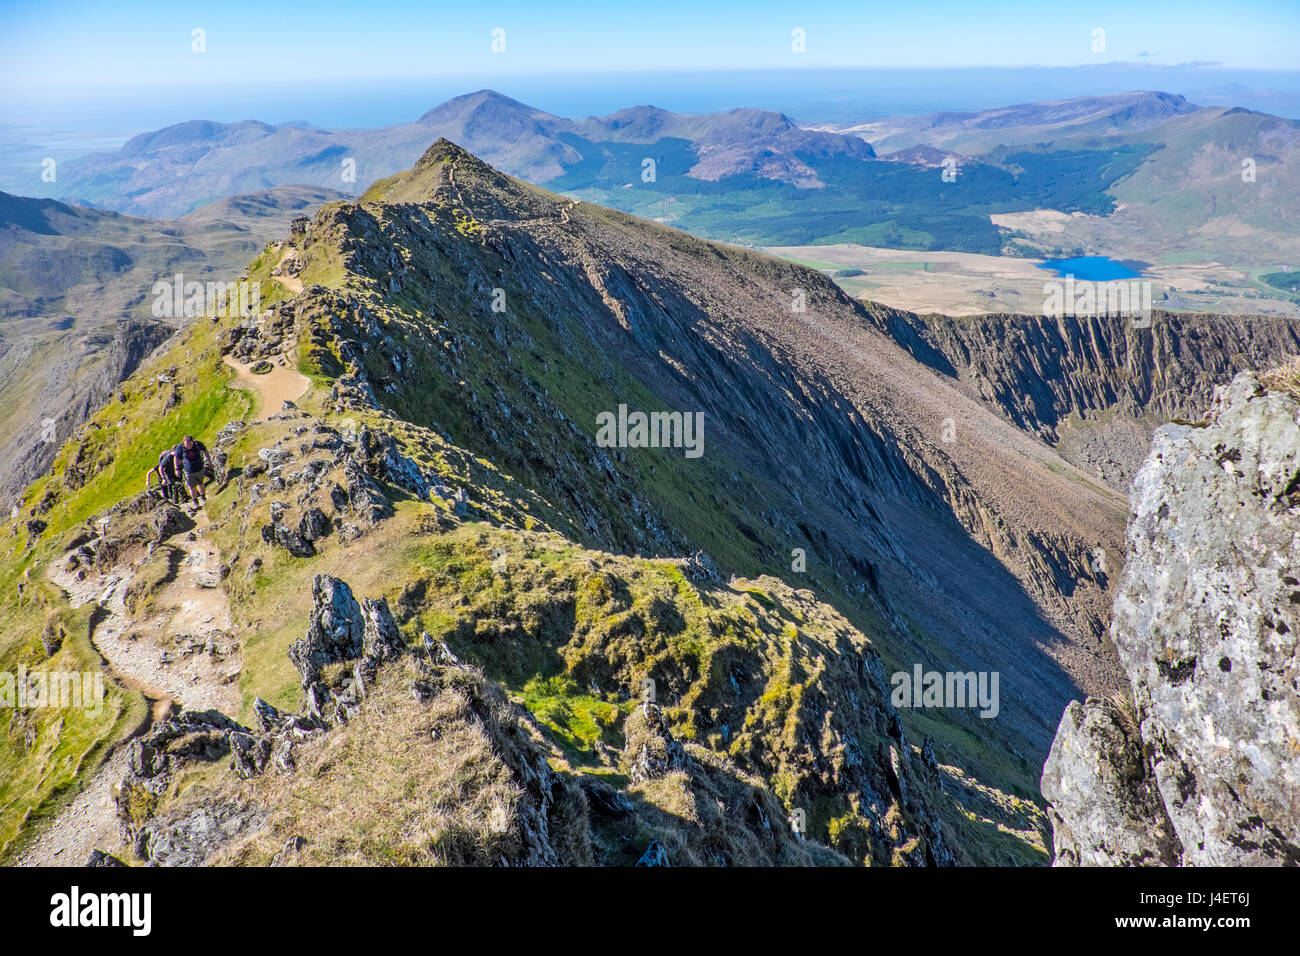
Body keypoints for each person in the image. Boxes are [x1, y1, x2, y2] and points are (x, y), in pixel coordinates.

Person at [172, 434, 215, 509]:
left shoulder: (198, 444)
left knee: (201, 483)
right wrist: (177, 469)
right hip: (188, 470)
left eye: (190, 444)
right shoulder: (180, 447)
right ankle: (195, 502)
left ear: (192, 441)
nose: (188, 446)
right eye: (186, 445)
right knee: (191, 487)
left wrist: (208, 460)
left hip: (199, 468)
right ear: (183, 443)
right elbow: (176, 458)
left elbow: (205, 450)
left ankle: (203, 497)